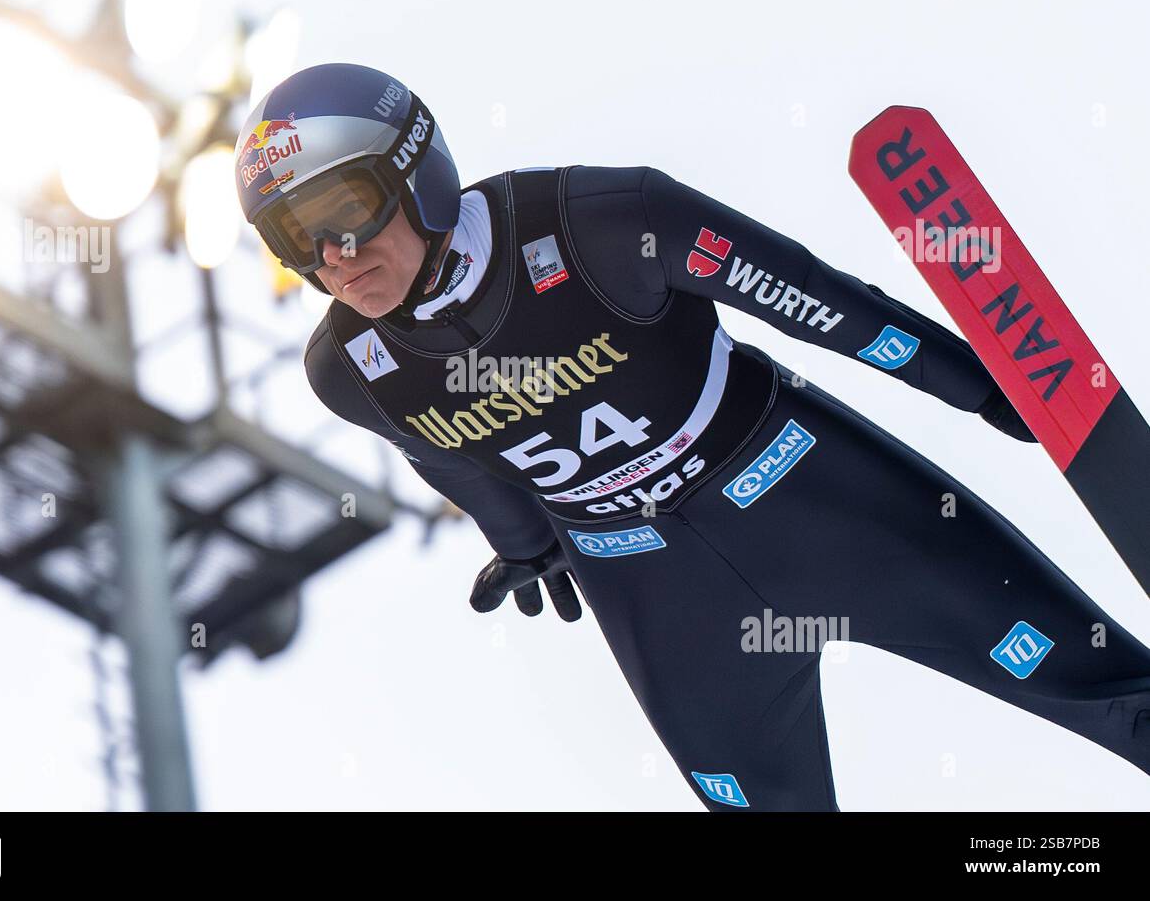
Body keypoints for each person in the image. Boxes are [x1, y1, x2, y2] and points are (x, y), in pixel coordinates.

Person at [235, 62, 1150, 810]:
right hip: (658, 596)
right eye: (295, 239)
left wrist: (994, 390)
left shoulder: (602, 223)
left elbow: (823, 306)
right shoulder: (347, 370)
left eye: (342, 212)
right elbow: (455, 459)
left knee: (1108, 695)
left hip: (808, 493)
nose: (335, 259)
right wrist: (524, 547)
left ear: (413, 168)